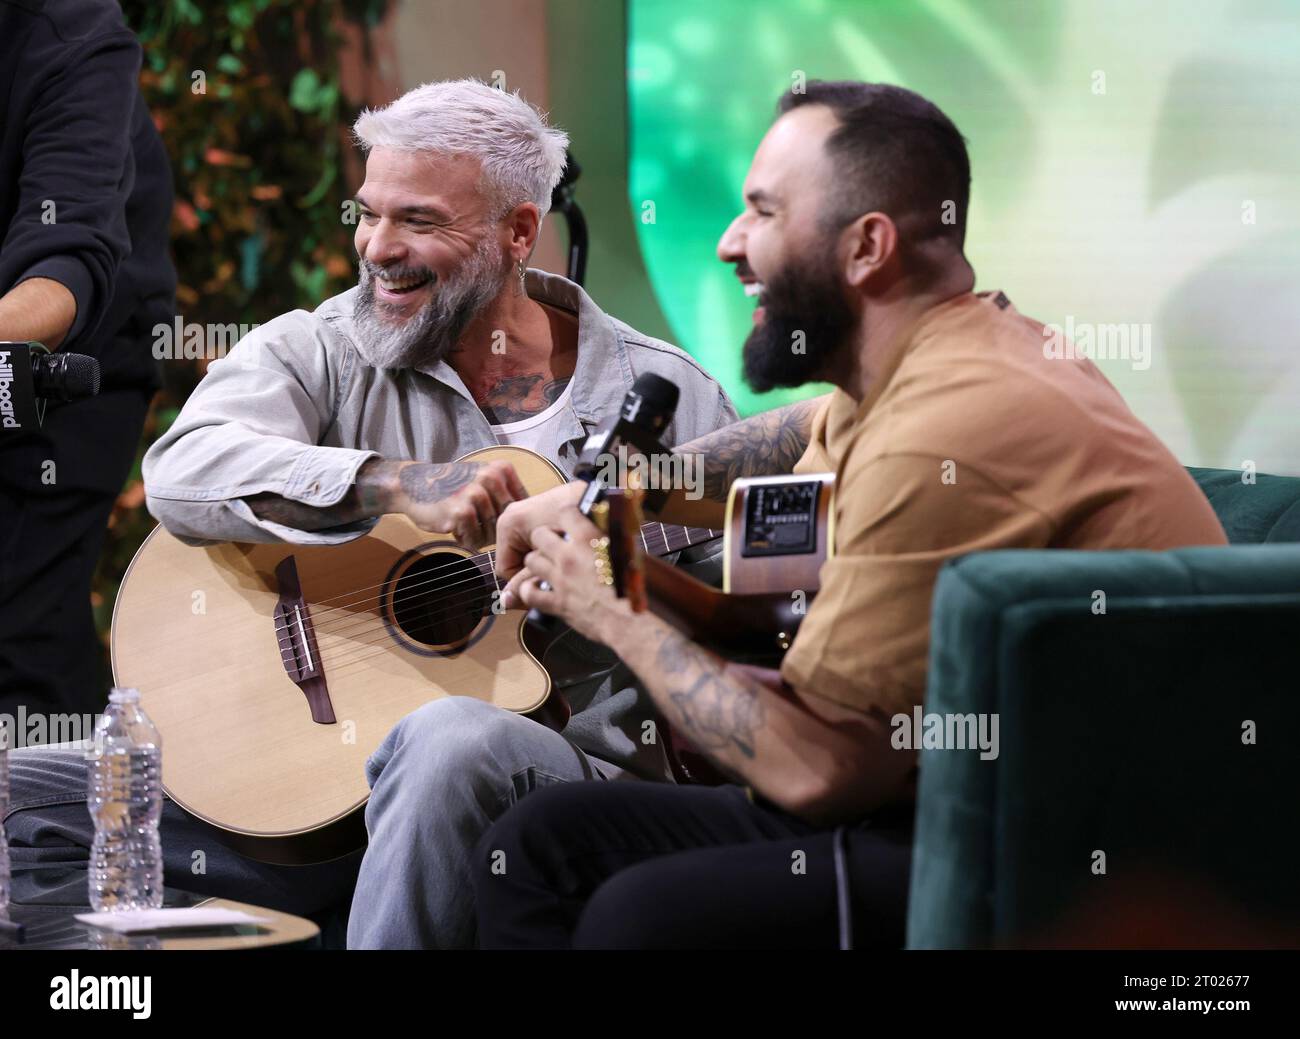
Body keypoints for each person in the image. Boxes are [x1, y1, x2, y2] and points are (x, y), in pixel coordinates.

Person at [6, 79, 769, 948]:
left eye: (417, 220)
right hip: (315, 775)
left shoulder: (663, 396)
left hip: (558, 776)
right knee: (18, 792)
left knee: (446, 738)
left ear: (518, 231)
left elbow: (762, 608)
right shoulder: (327, 346)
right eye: (366, 214)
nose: (376, 246)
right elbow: (181, 470)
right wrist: (393, 484)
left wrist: (626, 587)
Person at [471, 80, 1230, 949]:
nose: (729, 243)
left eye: (762, 211)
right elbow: (791, 448)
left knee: (635, 916)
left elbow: (818, 764)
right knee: (539, 847)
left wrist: (606, 608)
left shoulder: (949, 426)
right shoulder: (912, 370)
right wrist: (609, 514)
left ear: (868, 246)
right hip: (939, 794)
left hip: (1089, 857)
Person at [0, 0, 176, 720]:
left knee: (17, 631)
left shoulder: (71, 34)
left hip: (77, 342)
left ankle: (62, 828)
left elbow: (63, 263)